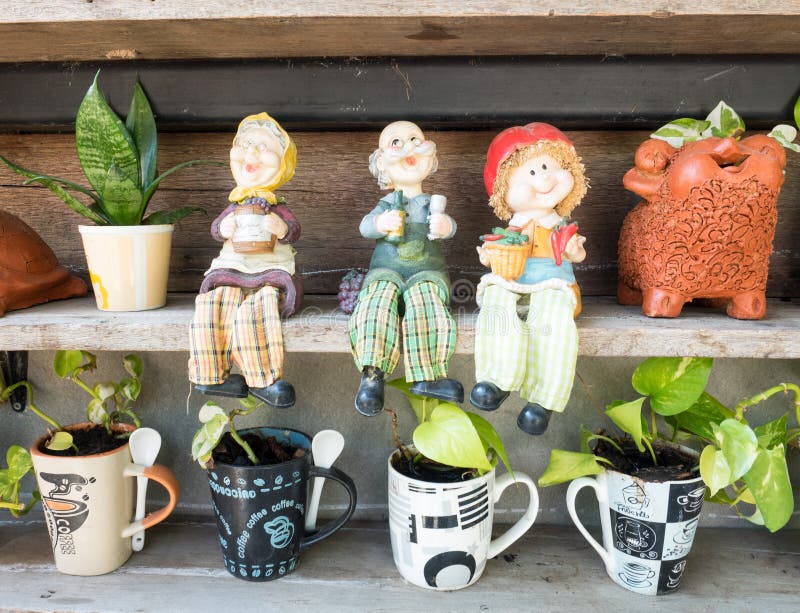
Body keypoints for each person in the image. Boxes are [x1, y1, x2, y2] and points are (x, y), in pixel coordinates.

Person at [471, 123, 588, 434]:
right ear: (503, 190)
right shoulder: (513, 228)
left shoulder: (560, 225)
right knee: (496, 303)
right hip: (514, 282)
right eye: (531, 174)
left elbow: (574, 253)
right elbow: (496, 251)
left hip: (554, 284)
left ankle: (543, 398)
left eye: (548, 167)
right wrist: (488, 255)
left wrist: (575, 252)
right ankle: (497, 379)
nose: (544, 179)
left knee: (552, 317)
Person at [188, 113, 302, 408]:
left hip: (267, 270)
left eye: (263, 147)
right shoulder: (235, 204)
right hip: (232, 268)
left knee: (258, 308)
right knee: (213, 305)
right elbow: (217, 228)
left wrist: (282, 227)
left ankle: (262, 378)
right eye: (246, 144)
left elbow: (293, 231)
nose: (251, 153)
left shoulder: (277, 206)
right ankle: (209, 374)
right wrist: (222, 228)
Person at [349, 121, 463, 415]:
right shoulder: (386, 203)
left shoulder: (431, 204)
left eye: (415, 139)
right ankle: (373, 375)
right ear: (382, 164)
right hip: (386, 270)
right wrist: (380, 223)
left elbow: (450, 228)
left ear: (430, 158)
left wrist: (445, 224)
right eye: (396, 142)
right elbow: (365, 227)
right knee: (375, 305)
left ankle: (428, 376)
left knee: (428, 306)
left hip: (427, 271)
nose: (408, 147)